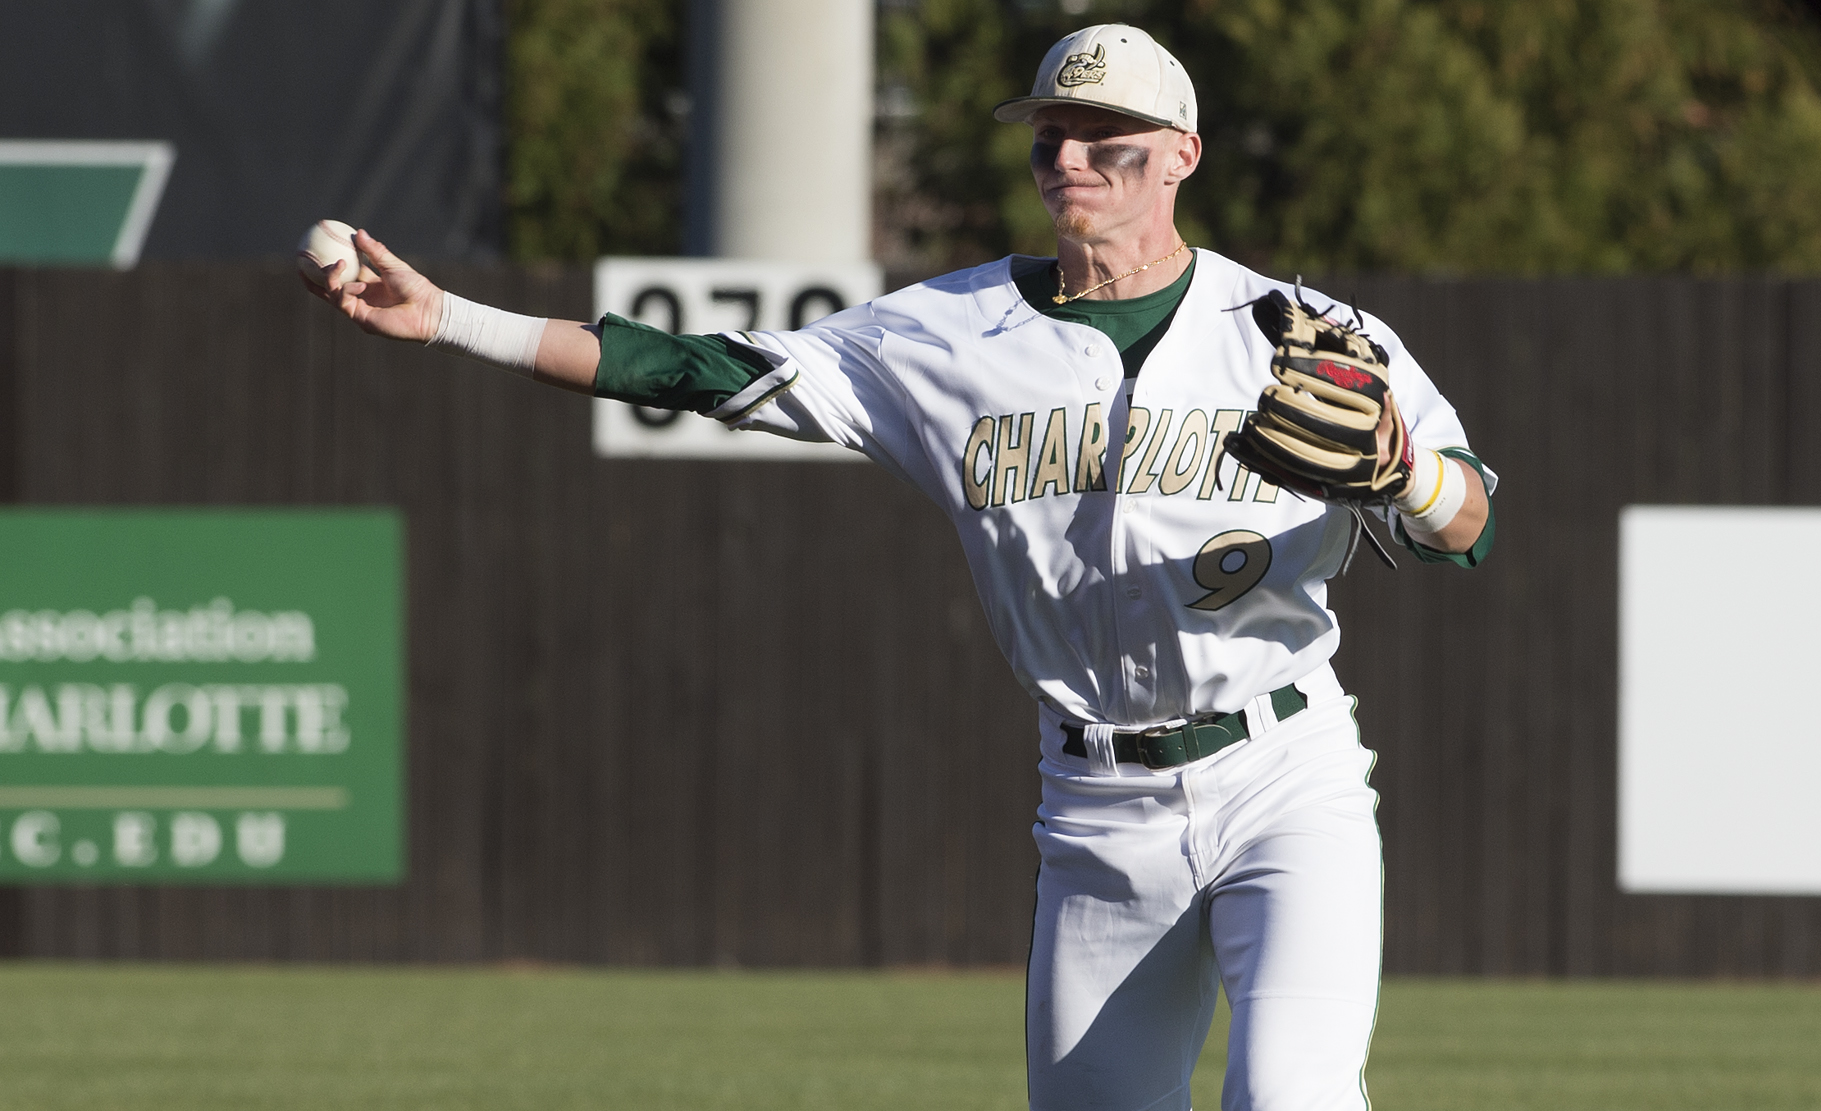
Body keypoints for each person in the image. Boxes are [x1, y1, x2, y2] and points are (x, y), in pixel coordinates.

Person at [307, 23, 1493, 1111]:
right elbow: (704, 370)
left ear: (1180, 154)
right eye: (1051, 137)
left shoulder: (1295, 329)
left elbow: (1470, 518)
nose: (1071, 159)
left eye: (1106, 141)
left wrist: (1403, 469)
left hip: (1282, 773)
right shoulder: (941, 335)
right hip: (1093, 806)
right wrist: (455, 318)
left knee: (1290, 1095)